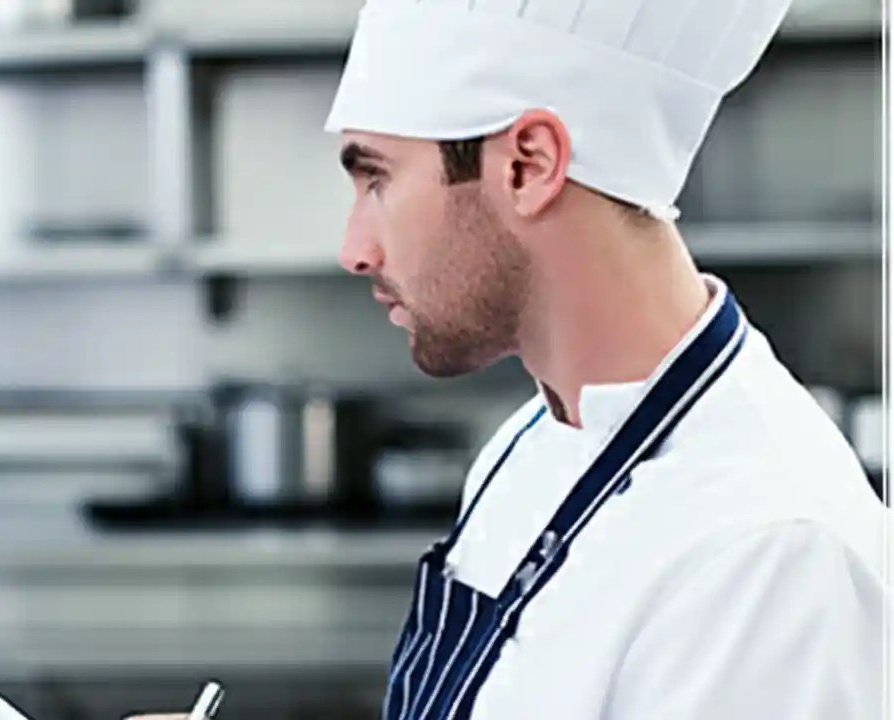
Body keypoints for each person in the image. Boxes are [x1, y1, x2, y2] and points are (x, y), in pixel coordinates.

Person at [130, 0, 887, 717]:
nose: (354, 251)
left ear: (528, 164)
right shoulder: (531, 440)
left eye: (378, 180)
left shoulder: (770, 556)